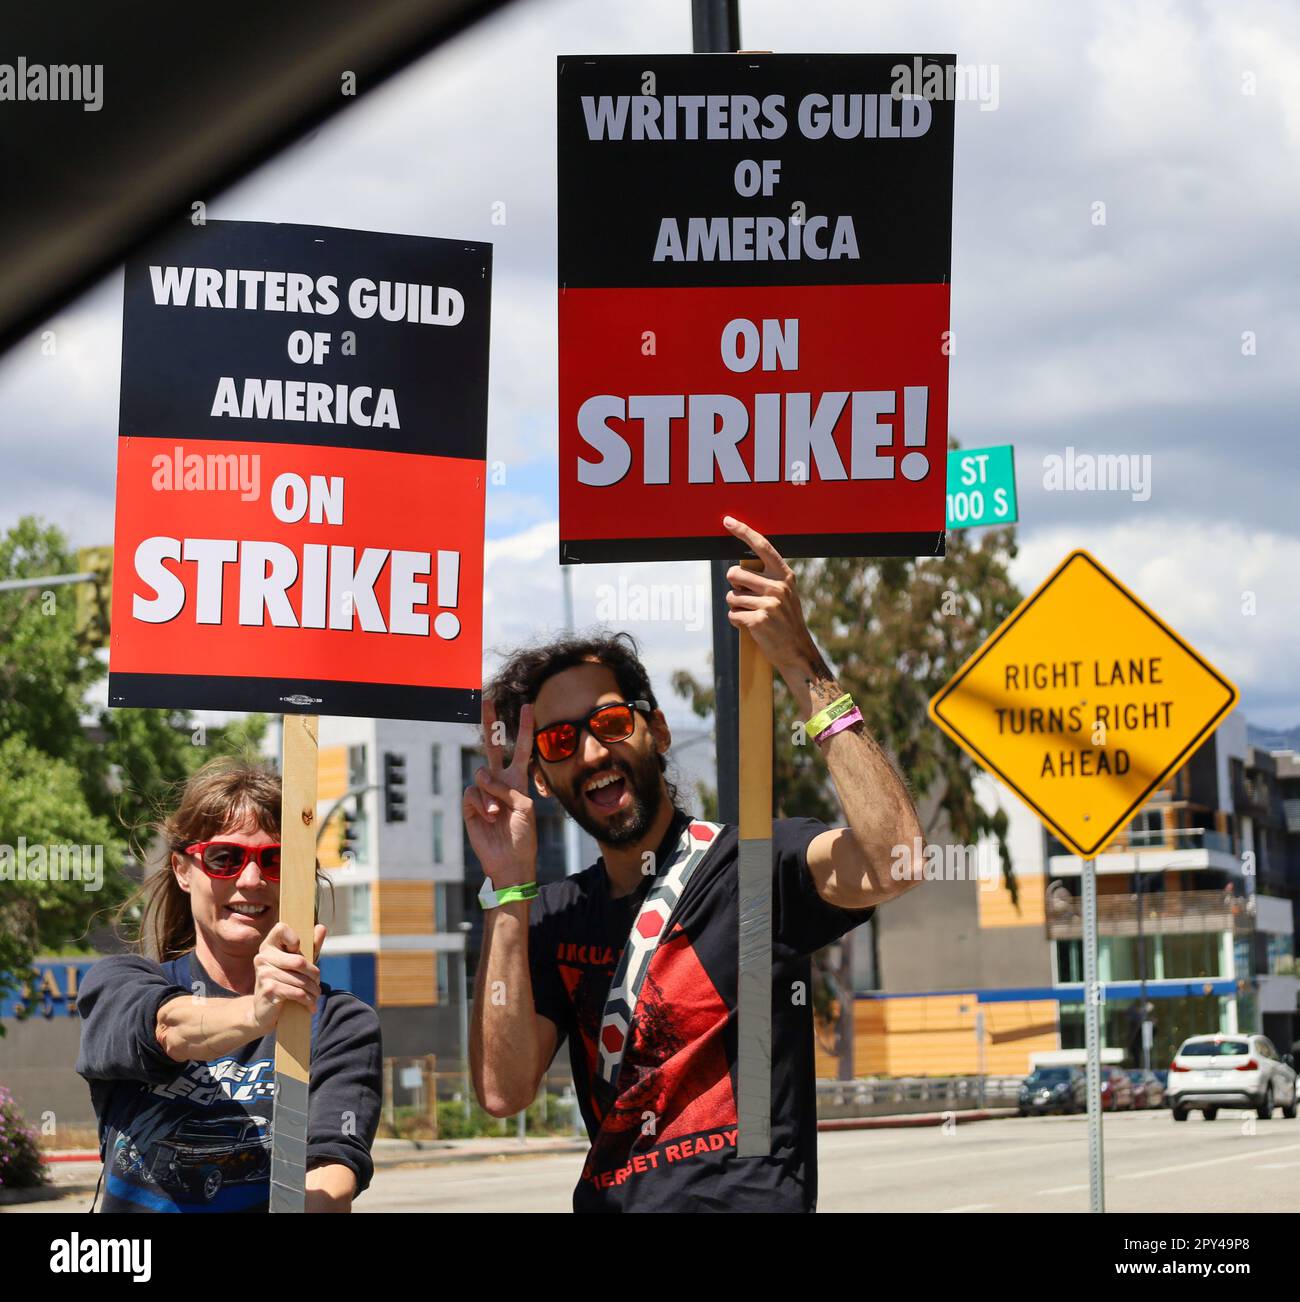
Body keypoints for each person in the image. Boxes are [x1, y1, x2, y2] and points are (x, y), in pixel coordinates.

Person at [466, 515, 926, 1212]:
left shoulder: (756, 867)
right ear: (542, 779)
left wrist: (801, 662)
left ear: (655, 730)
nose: (592, 753)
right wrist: (507, 889)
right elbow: (502, 1092)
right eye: (560, 742)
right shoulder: (550, 918)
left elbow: (895, 861)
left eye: (612, 723)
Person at [76, 758, 382, 1213]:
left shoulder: (341, 1023)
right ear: (182, 869)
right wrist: (257, 1013)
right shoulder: (119, 983)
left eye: (275, 860)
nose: (252, 880)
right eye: (225, 858)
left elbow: (330, 1172)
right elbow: (168, 1028)